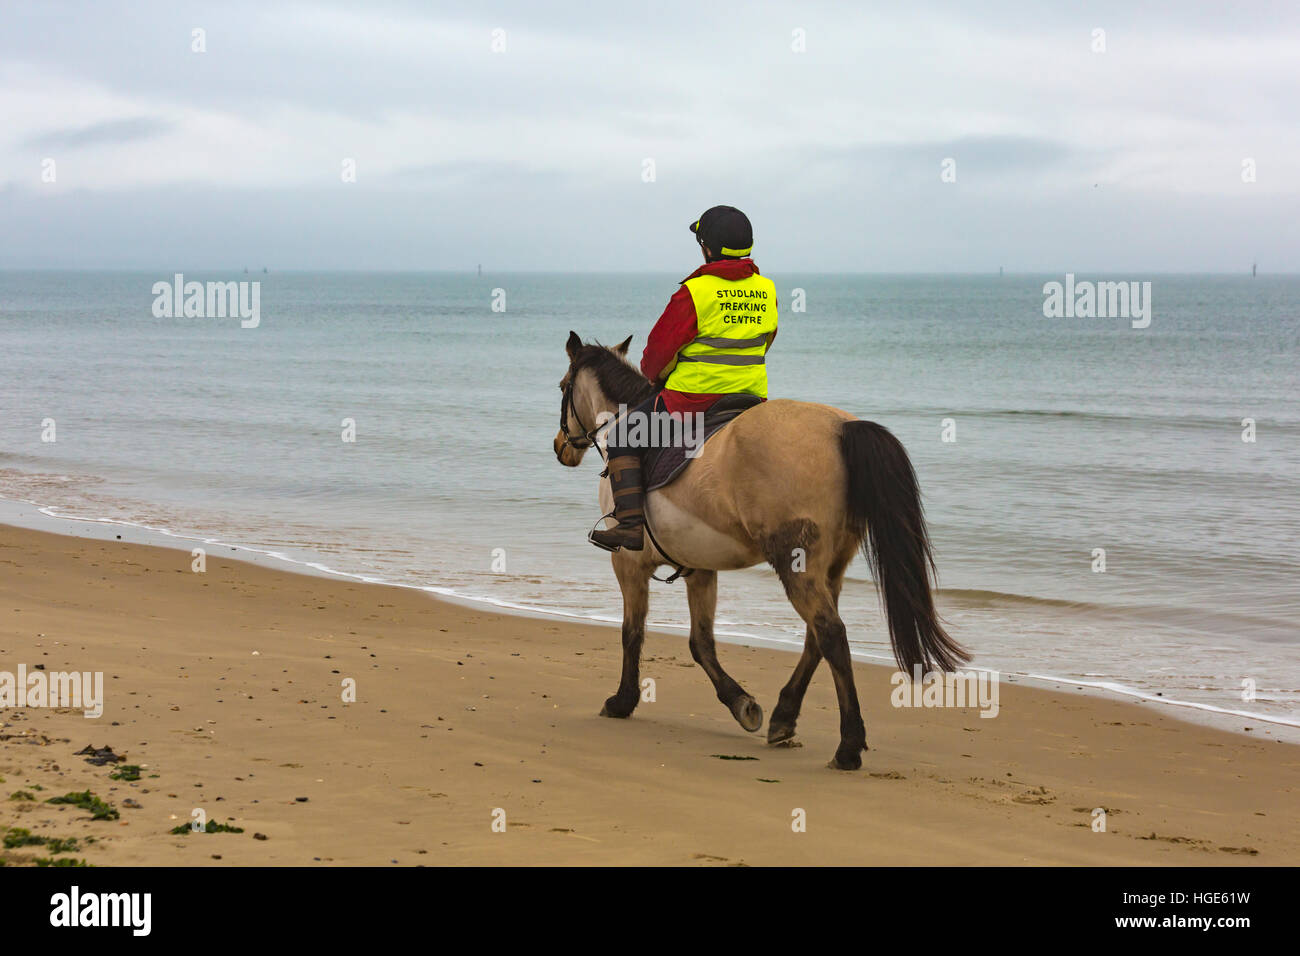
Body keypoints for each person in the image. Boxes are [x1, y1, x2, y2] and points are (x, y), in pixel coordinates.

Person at [589, 205, 779, 552]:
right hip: (751, 400)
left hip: (692, 402)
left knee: (622, 435)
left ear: (707, 248)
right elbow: (765, 340)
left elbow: (655, 358)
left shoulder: (694, 292)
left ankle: (630, 525)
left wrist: (661, 376)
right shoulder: (766, 289)